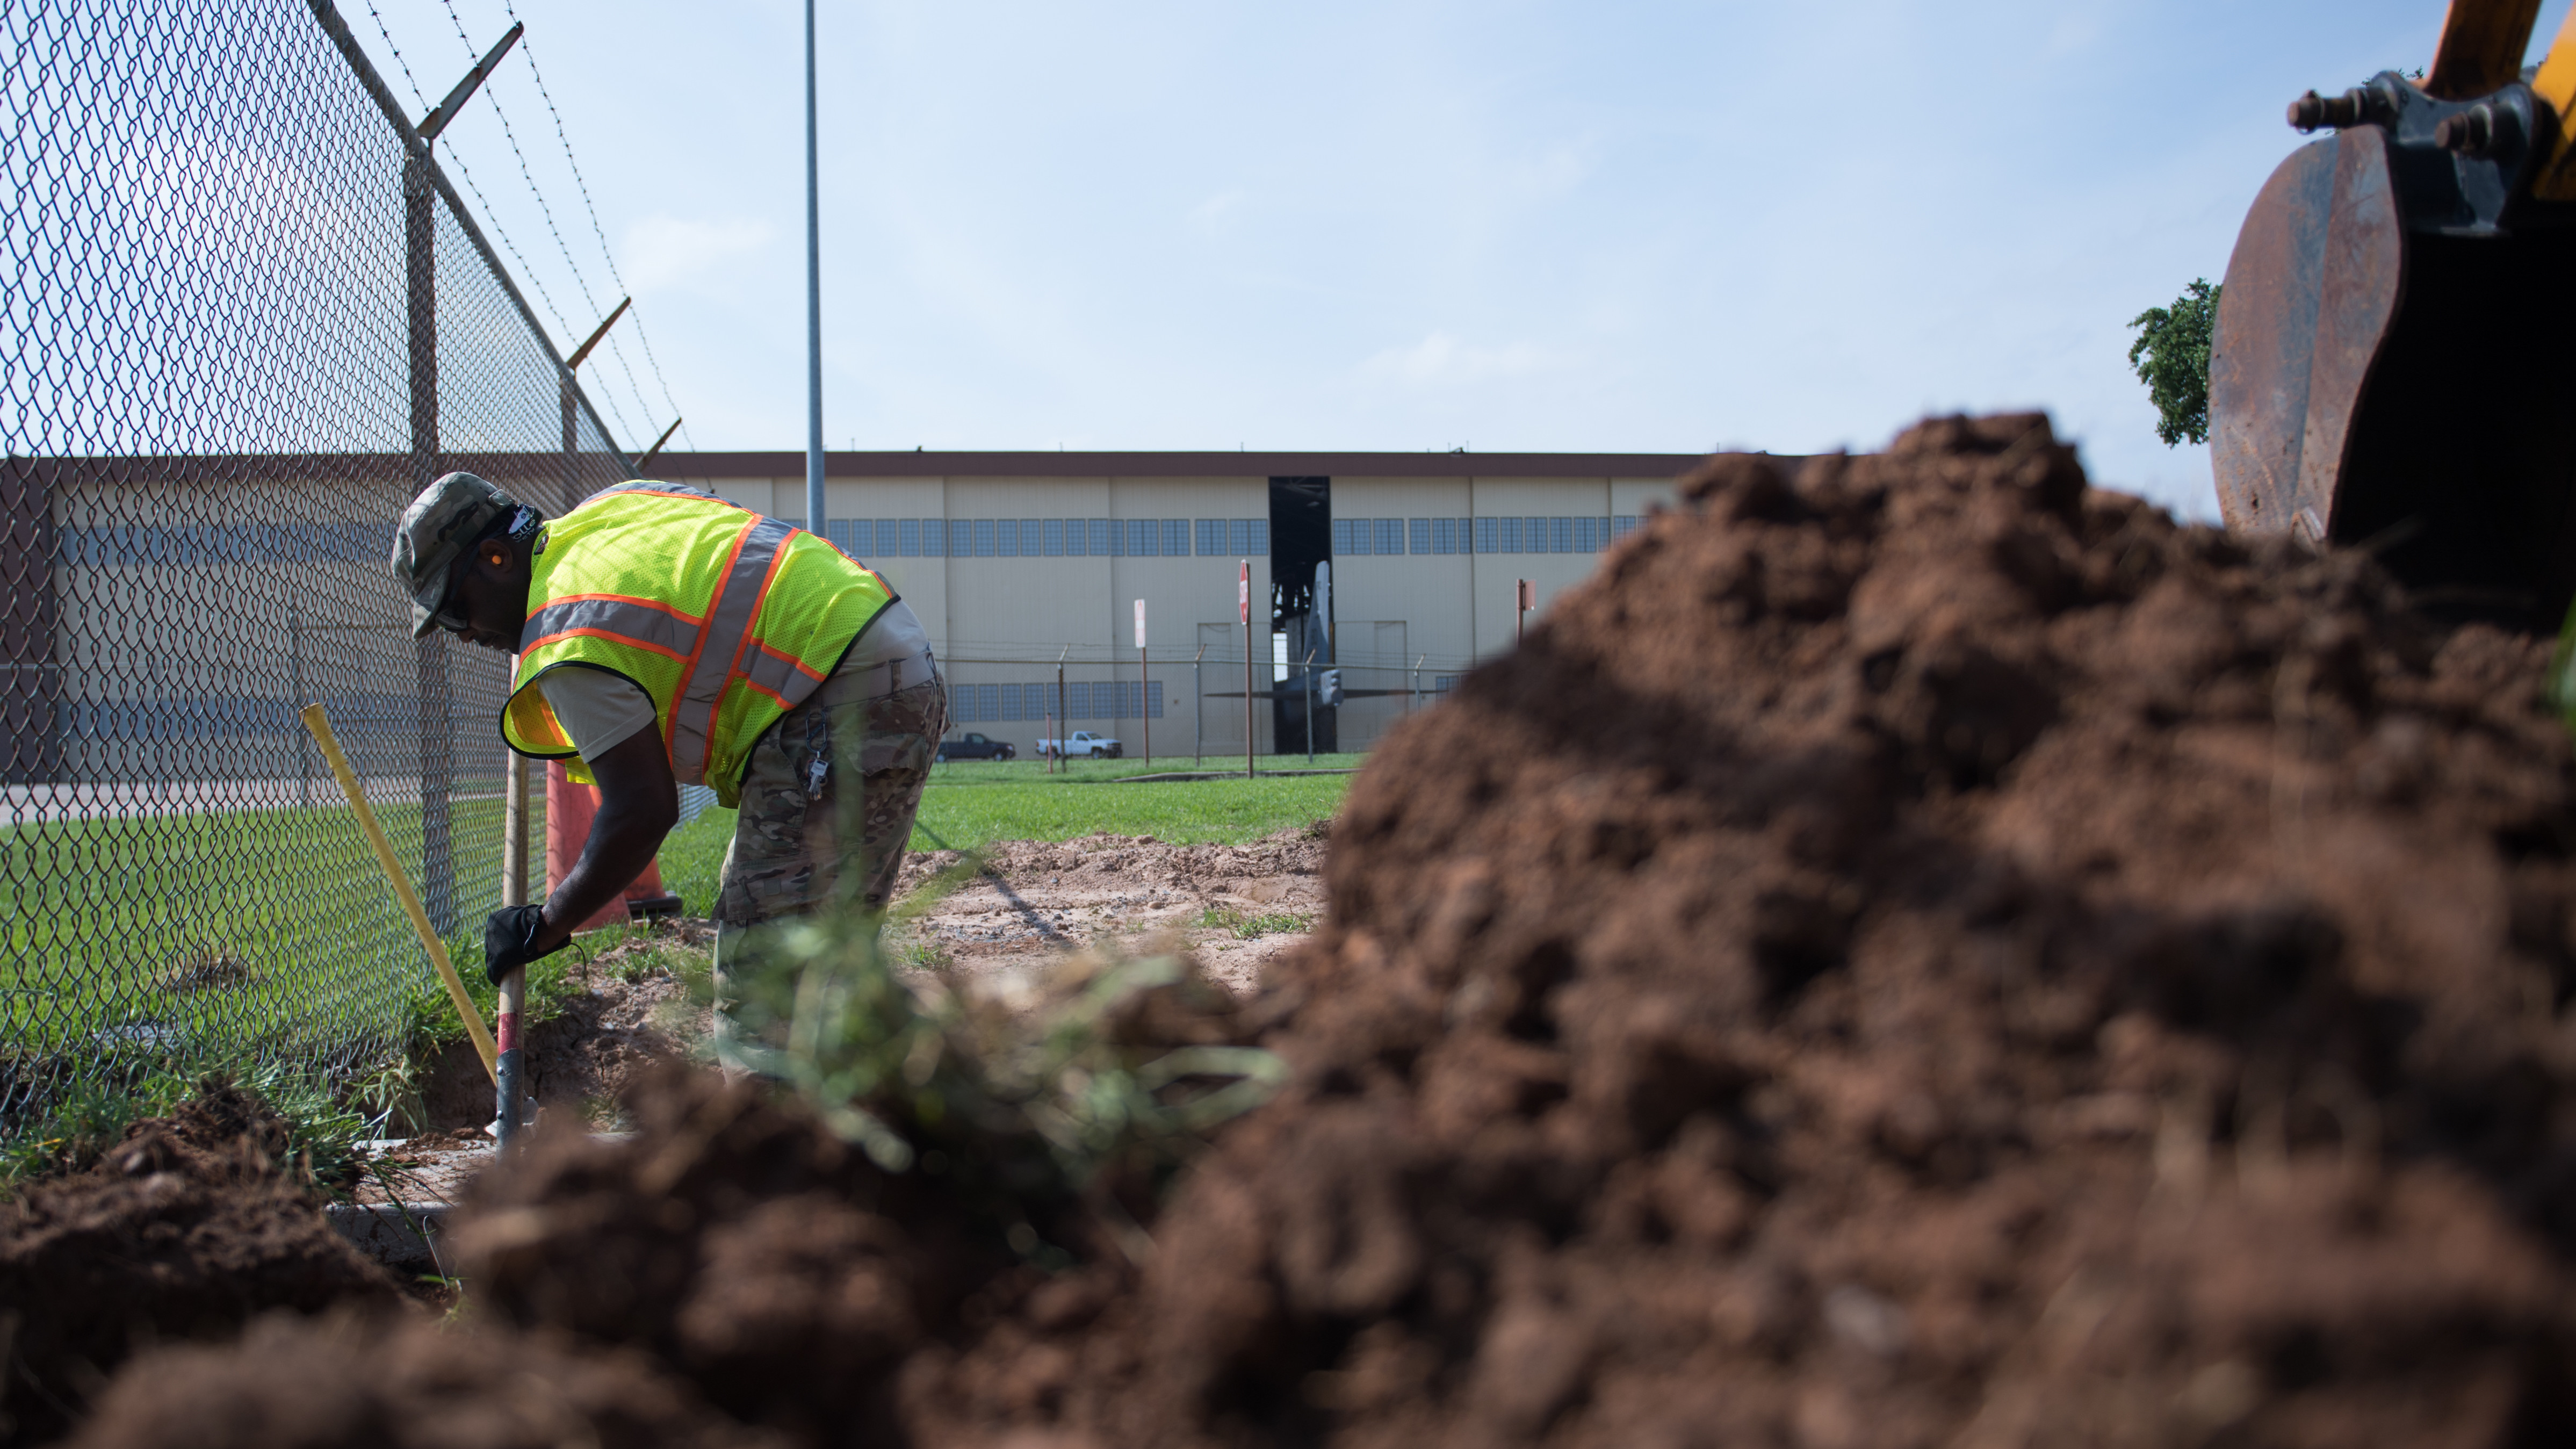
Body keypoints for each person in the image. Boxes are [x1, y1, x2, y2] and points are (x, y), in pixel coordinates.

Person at [388, 470, 946, 990]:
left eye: (455, 612)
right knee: (822, 949)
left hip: (833, 691)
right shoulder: (616, 507)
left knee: (763, 988)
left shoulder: (567, 633)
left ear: (496, 558)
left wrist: (544, 925)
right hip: (887, 653)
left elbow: (641, 810)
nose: (464, 635)